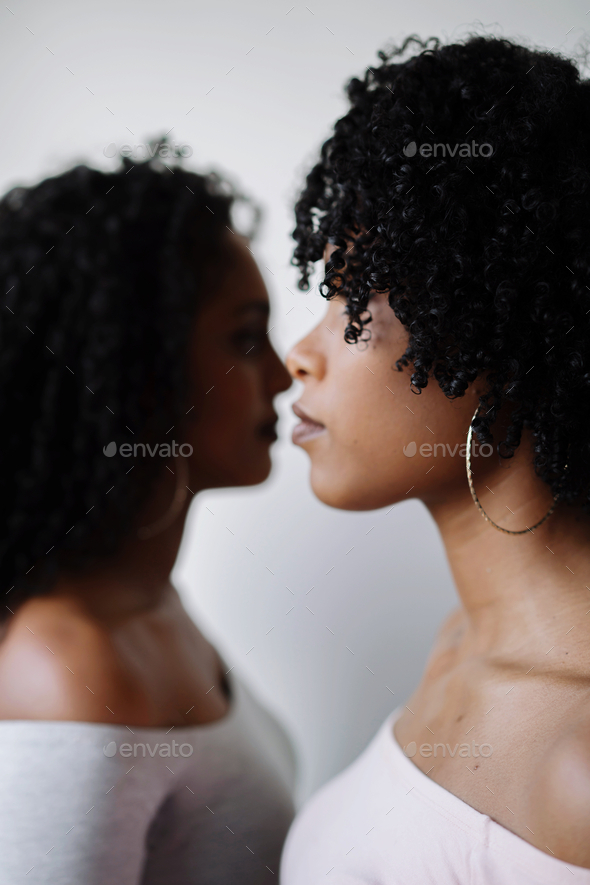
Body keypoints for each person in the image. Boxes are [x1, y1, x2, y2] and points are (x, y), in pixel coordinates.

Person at [281, 34, 590, 884]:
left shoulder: (577, 765)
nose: (296, 356)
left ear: (498, 332)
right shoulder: (458, 643)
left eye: (357, 306)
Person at [0, 148, 294, 883]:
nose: (286, 375)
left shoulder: (151, 599)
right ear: (141, 370)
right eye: (245, 337)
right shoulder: (69, 666)